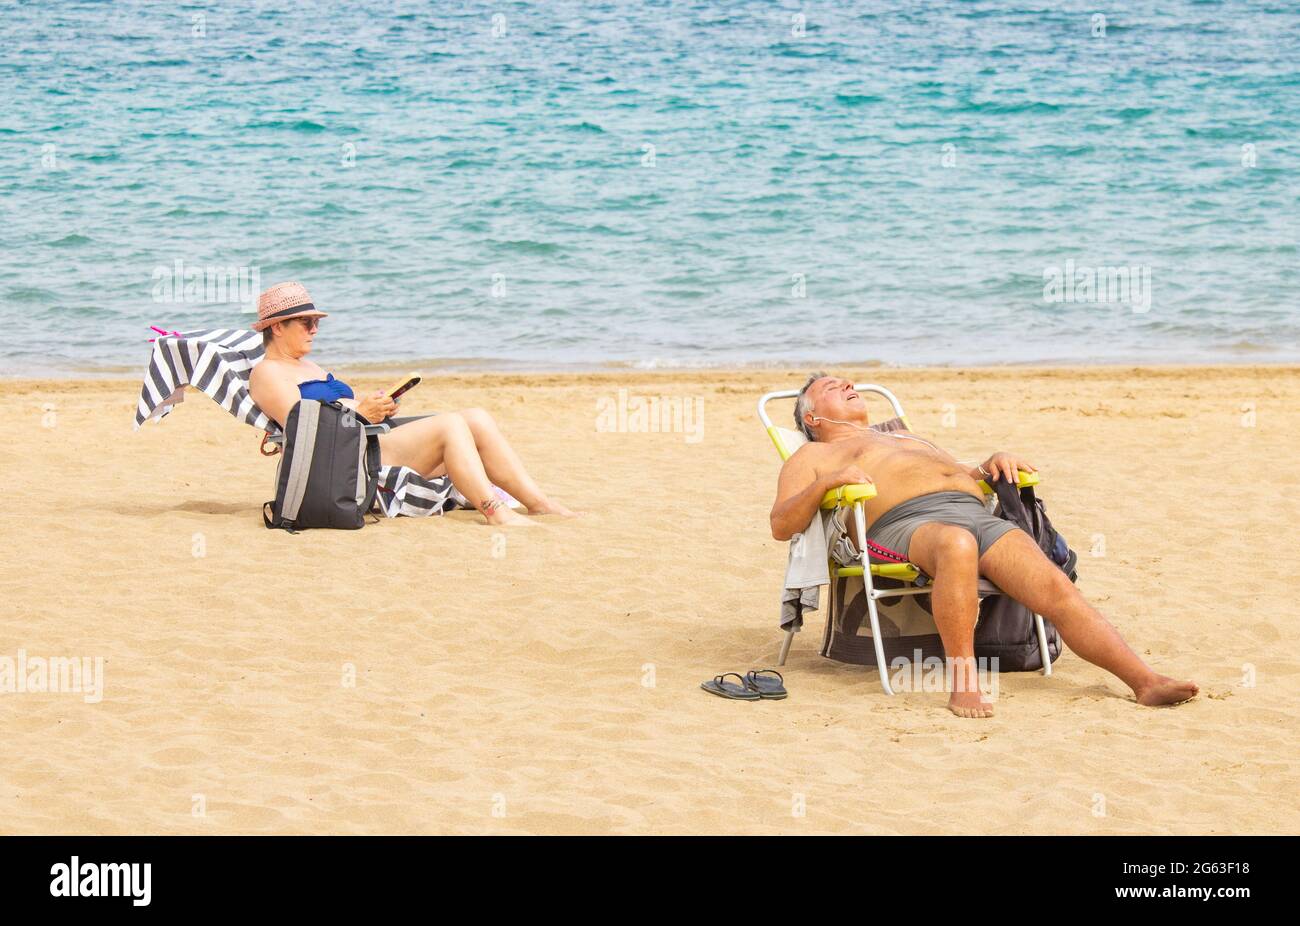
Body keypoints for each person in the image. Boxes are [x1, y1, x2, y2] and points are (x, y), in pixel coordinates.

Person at [770, 373, 1198, 718]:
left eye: (848, 381)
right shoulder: (813, 457)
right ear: (813, 418)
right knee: (956, 544)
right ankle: (965, 683)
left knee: (1053, 586)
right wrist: (829, 482)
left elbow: (959, 472)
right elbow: (781, 524)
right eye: (833, 387)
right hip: (902, 525)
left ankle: (1145, 681)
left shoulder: (910, 438)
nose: (848, 384)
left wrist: (990, 463)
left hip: (974, 512)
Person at [248, 282, 577, 526]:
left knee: (476, 417)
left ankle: (539, 503)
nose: (315, 329)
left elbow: (341, 408)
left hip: (365, 440)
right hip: (344, 460)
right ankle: (496, 512)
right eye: (306, 322)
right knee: (449, 425)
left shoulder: (309, 366)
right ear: (277, 327)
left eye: (317, 322)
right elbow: (303, 426)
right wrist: (359, 413)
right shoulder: (267, 373)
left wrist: (378, 406)